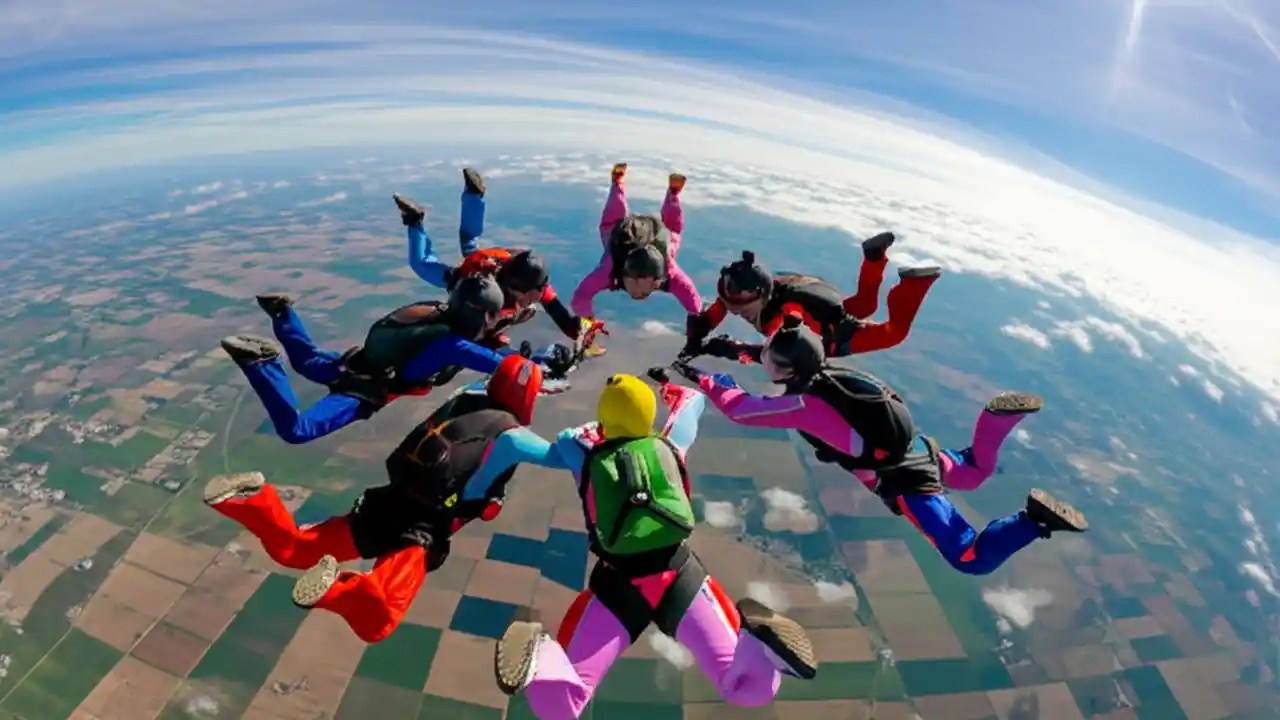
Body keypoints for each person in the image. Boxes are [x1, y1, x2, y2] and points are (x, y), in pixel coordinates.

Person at [493, 373, 816, 720]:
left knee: (557, 709)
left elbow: (557, 447)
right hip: (681, 579)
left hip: (617, 589)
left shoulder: (582, 451)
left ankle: (540, 652)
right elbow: (693, 403)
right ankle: (758, 638)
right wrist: (670, 391)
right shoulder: (671, 444)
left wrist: (585, 431)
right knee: (751, 691)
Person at [675, 317, 1088, 577]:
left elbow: (741, 410)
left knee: (971, 559)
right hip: (918, 449)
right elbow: (777, 359)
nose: (764, 361)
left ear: (788, 369)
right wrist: (730, 351)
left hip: (904, 478)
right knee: (974, 471)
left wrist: (706, 378)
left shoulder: (806, 405)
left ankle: (1033, 521)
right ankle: (996, 421)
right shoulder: (831, 374)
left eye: (770, 360)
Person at [203, 355, 554, 643]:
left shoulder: (469, 394)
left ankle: (253, 499)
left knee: (296, 549)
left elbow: (505, 376)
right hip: (421, 531)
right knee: (378, 621)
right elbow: (557, 455)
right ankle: (337, 591)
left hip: (389, 502)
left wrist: (531, 365)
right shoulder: (514, 436)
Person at [219, 275, 576, 444]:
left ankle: (283, 314)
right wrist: (549, 369)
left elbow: (495, 352)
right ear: (480, 316)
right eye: (493, 316)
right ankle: (261, 364)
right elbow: (506, 366)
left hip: (359, 362)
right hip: (366, 389)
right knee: (297, 431)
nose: (496, 322)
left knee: (308, 362)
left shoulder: (436, 315)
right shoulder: (453, 344)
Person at [393, 168, 589, 347]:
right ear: (523, 291)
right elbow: (471, 329)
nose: (542, 294)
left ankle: (474, 195)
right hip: (466, 278)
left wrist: (575, 330)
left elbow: (556, 310)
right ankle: (415, 221)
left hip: (490, 261)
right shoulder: (490, 295)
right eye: (538, 292)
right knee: (422, 263)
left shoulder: (530, 280)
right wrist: (493, 341)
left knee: (469, 241)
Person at [683, 247, 940, 363]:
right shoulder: (740, 295)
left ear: (760, 296)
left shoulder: (783, 318)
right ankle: (874, 259)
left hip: (830, 336)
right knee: (863, 305)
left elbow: (774, 354)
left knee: (894, 333)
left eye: (739, 305)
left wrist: (730, 348)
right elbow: (715, 312)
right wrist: (698, 335)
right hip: (821, 312)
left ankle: (916, 283)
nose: (734, 309)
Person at [569, 163, 702, 325]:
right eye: (646, 291)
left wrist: (696, 317)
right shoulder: (610, 267)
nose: (647, 292)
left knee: (672, 231)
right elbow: (581, 296)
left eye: (651, 288)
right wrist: (588, 320)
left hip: (654, 240)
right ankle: (618, 184)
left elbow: (690, 294)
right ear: (629, 277)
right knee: (611, 224)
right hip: (624, 240)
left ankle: (673, 194)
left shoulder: (669, 273)